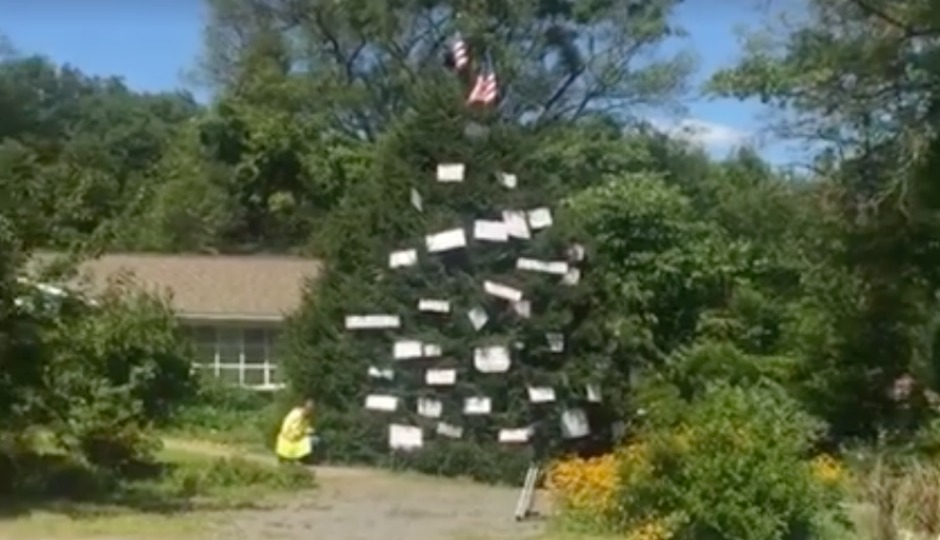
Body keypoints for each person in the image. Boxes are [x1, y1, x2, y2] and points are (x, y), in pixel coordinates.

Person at [276, 398, 318, 464]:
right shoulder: (296, 414)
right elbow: (287, 425)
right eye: (309, 409)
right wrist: (289, 434)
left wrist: (308, 430)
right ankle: (288, 459)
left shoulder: (306, 418)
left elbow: (304, 427)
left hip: (298, 437)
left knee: (313, 440)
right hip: (288, 437)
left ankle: (300, 460)